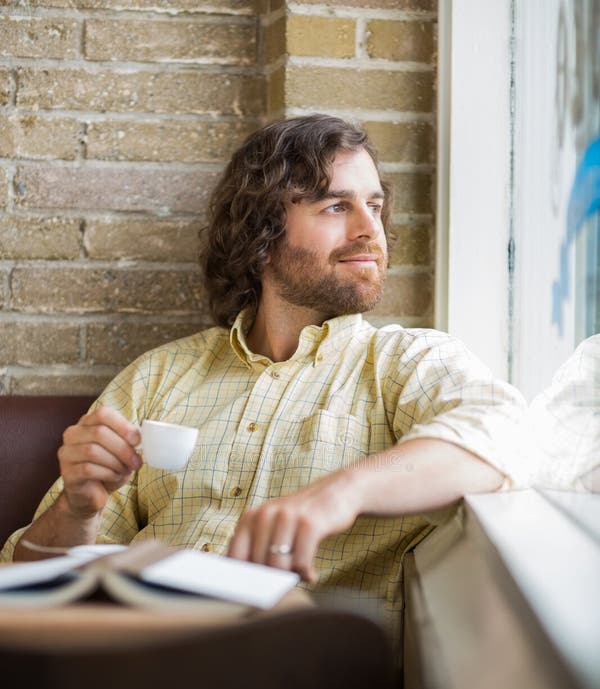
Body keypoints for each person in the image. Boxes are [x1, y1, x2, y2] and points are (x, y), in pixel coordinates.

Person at [2, 114, 526, 630]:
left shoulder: (404, 362)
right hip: (129, 662)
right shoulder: (159, 376)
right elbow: (27, 588)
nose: (371, 230)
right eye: (336, 206)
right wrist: (76, 508)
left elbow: (503, 435)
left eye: (374, 205)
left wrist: (339, 494)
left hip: (281, 681)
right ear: (263, 234)